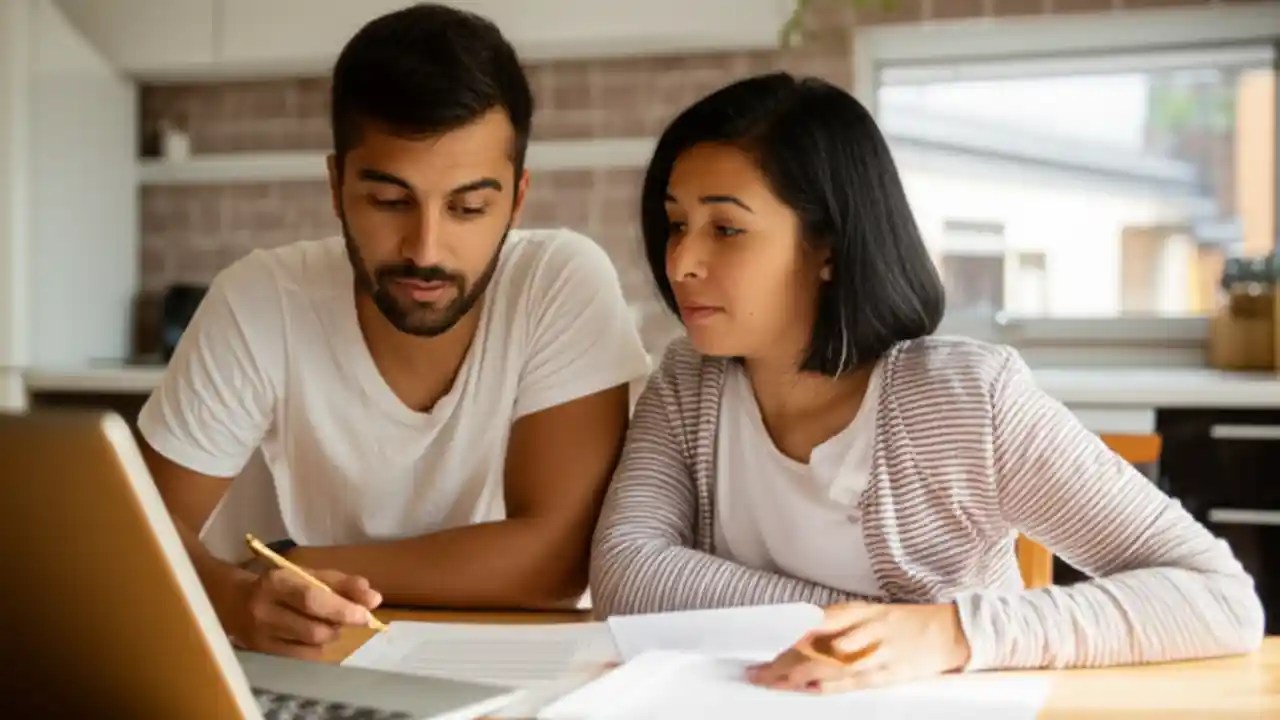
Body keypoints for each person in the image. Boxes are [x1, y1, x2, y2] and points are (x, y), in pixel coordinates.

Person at [589, 72, 1263, 693]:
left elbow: (1219, 599)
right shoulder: (688, 380)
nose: (681, 261)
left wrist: (950, 632)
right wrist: (874, 626)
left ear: (828, 247)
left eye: (727, 229)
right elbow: (627, 573)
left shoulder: (965, 400)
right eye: (677, 224)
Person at [139, 3, 649, 660]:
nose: (424, 248)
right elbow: (138, 531)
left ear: (517, 199)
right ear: (336, 184)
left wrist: (291, 562)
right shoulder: (261, 298)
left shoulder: (558, 282)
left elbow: (554, 564)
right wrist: (233, 600)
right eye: (388, 201)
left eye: (468, 207)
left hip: (516, 658)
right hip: (323, 658)